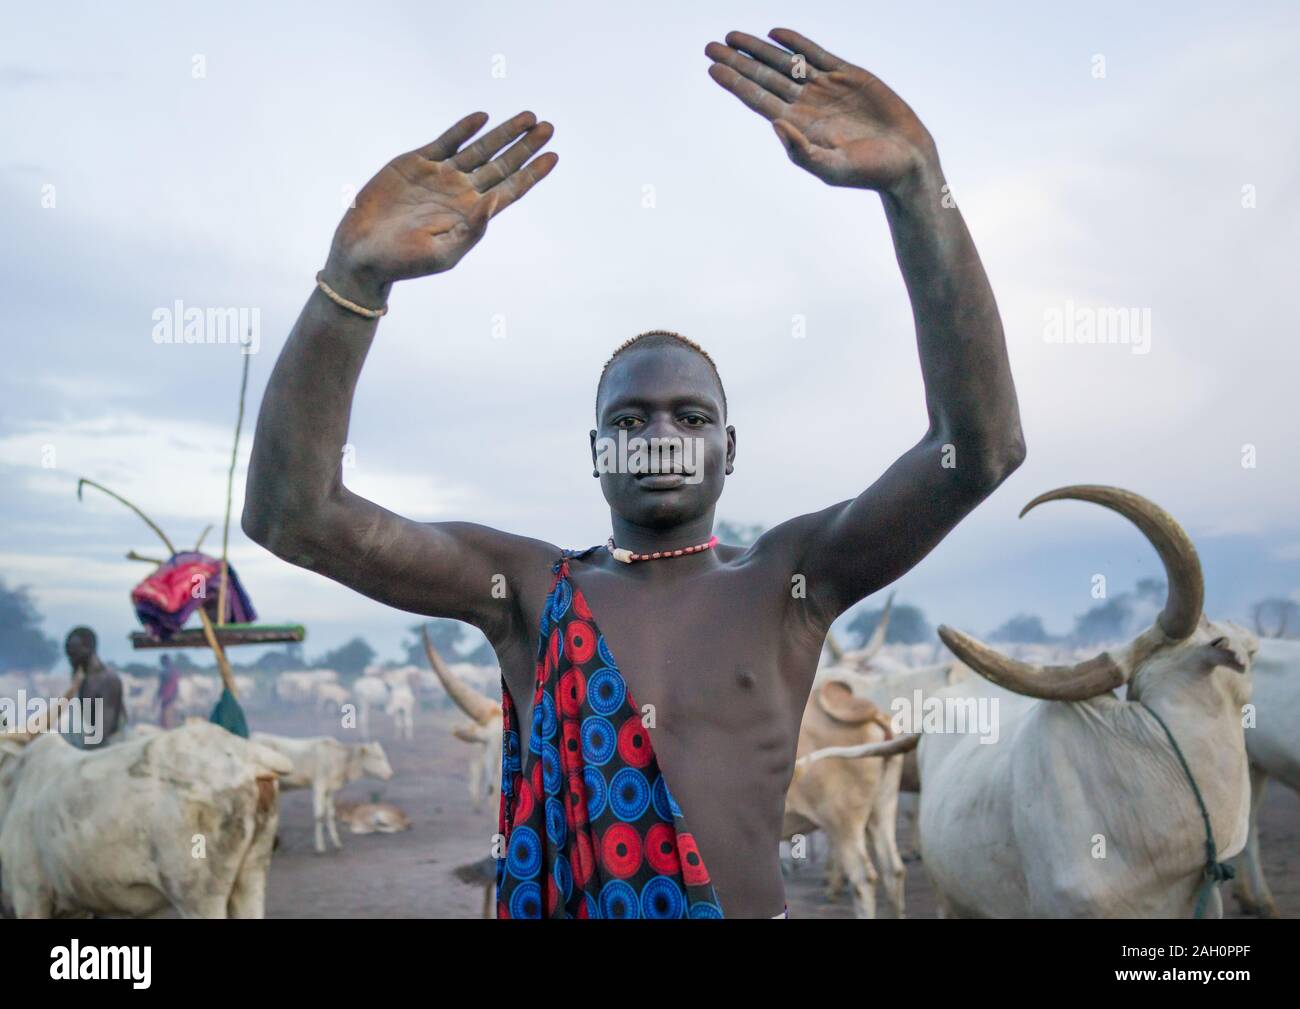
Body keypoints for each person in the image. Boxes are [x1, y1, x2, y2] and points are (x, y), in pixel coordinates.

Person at [243, 27, 1024, 918]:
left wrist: (919, 190)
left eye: (691, 417)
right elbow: (293, 514)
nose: (660, 433)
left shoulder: (790, 582)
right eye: (629, 418)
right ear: (595, 453)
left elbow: (979, 449)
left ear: (729, 451)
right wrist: (352, 283)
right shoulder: (528, 589)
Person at [66, 627, 127, 748]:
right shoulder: (83, 680)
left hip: (112, 750)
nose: (71, 660)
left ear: (88, 649)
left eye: (74, 654)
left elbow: (103, 732)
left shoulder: (107, 680)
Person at [156, 654, 180, 729]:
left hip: (168, 697)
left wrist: (159, 694)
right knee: (167, 717)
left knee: (167, 718)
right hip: (169, 697)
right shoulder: (172, 670)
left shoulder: (168, 671)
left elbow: (163, 684)